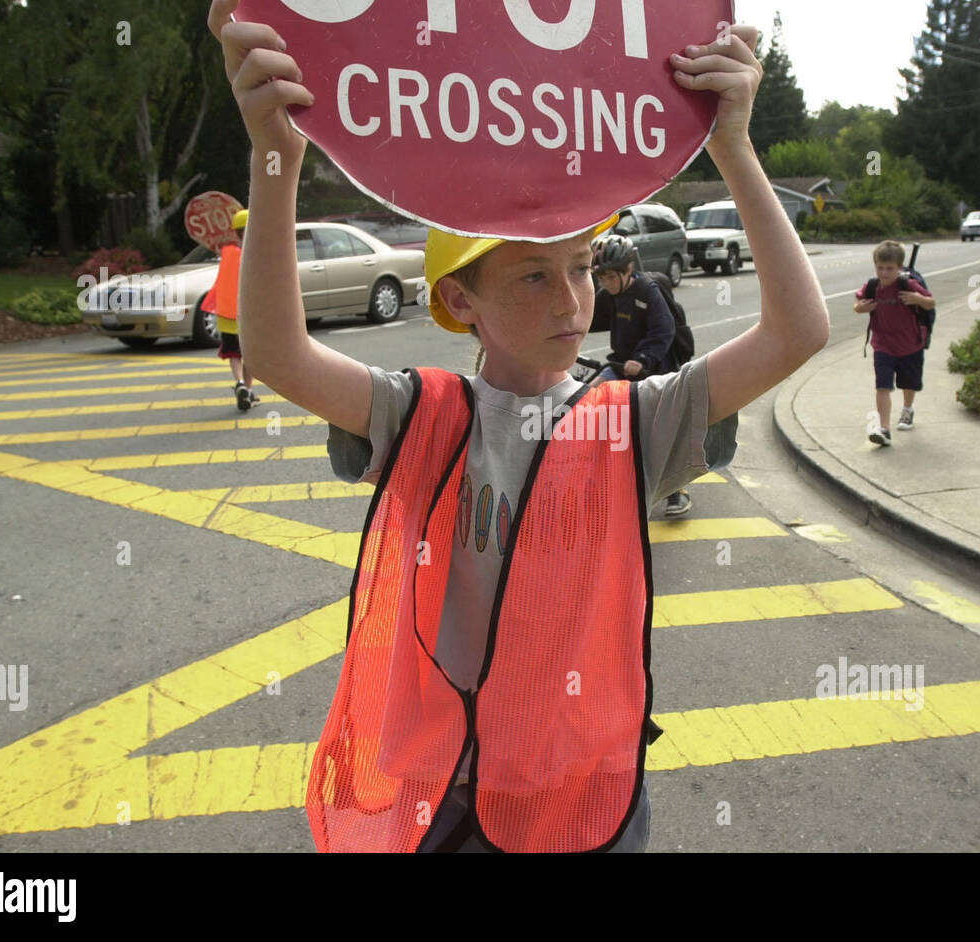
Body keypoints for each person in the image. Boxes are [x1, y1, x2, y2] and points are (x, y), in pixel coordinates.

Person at [208, 0, 830, 853]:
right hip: (449, 794)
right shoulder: (420, 413)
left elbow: (799, 332)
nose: (574, 302)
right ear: (462, 301)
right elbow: (277, 352)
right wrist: (275, 155)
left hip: (585, 793)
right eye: (534, 278)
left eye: (580, 268)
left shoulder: (633, 420)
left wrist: (732, 147)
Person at [590, 233, 692, 516]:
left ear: (628, 270)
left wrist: (643, 358)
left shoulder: (648, 292)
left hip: (653, 370)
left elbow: (664, 331)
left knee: (654, 433)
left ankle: (676, 491)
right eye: (600, 278)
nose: (605, 283)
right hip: (620, 365)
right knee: (590, 402)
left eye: (610, 277)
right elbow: (586, 318)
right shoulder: (609, 296)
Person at [852, 240, 934, 446]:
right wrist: (861, 308)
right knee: (882, 386)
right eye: (880, 267)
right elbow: (857, 305)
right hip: (883, 344)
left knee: (909, 383)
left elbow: (931, 302)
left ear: (900, 267)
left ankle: (907, 410)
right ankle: (884, 429)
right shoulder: (872, 286)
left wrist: (917, 299)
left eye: (890, 269)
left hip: (910, 344)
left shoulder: (908, 285)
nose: (884, 273)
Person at [201, 209, 260, 410]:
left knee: (234, 353)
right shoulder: (255, 253)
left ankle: (240, 383)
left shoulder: (227, 252)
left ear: (236, 232)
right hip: (250, 315)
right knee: (250, 356)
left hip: (226, 314)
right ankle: (249, 391)